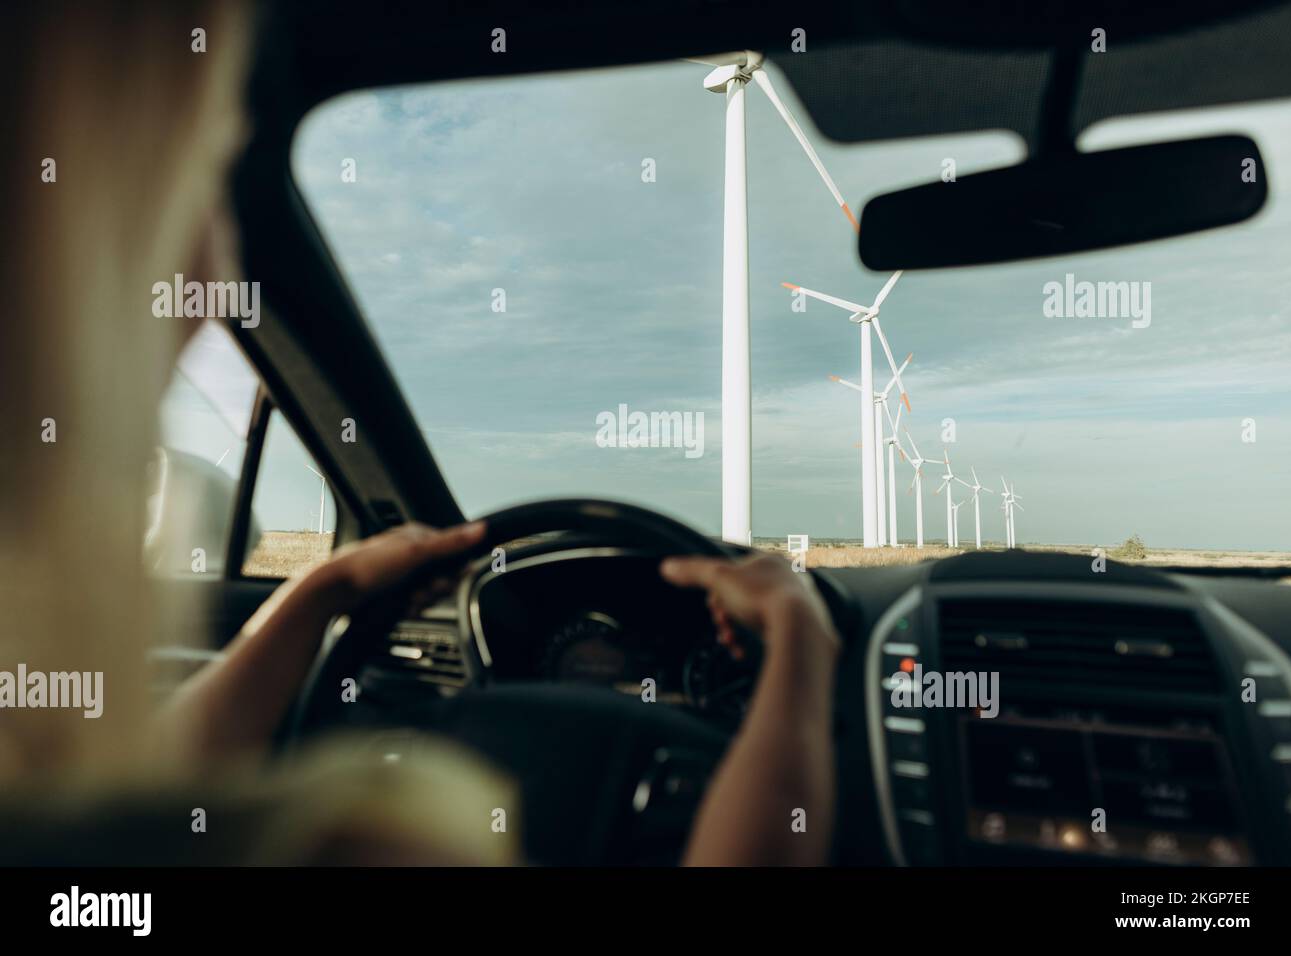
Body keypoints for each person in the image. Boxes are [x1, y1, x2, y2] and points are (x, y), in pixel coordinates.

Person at [0, 0, 840, 866]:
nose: (216, 277)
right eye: (198, 176)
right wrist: (801, 666)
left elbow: (137, 814)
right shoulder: (362, 837)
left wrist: (315, 598)